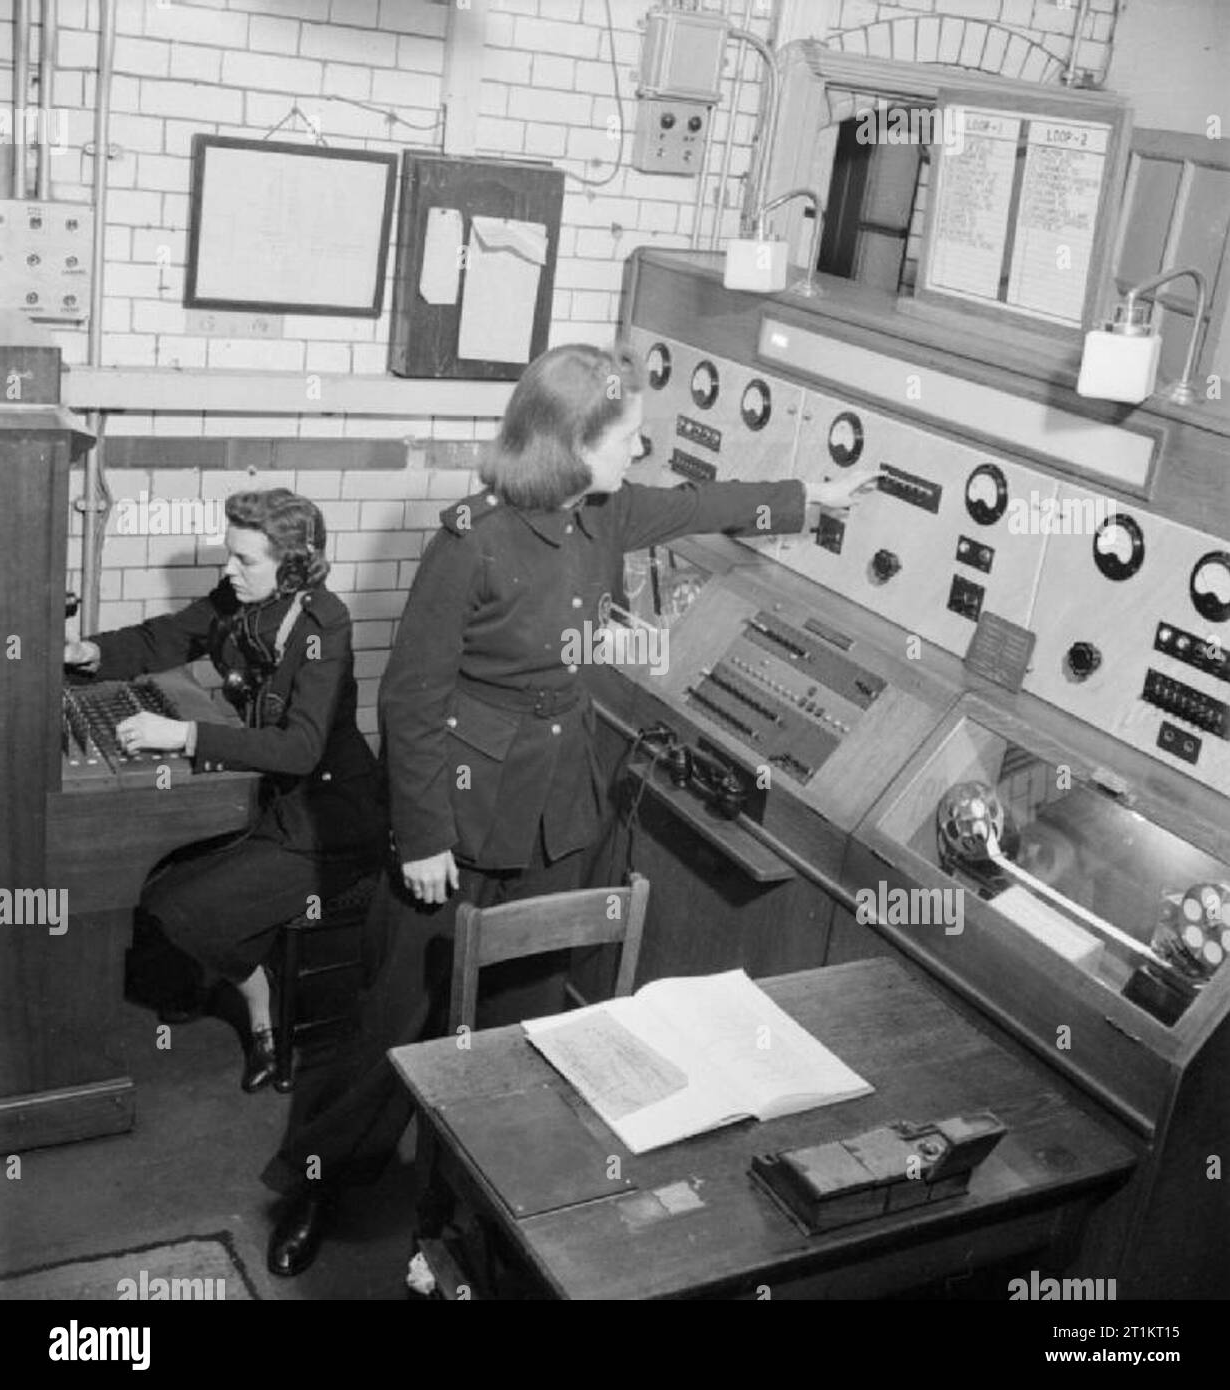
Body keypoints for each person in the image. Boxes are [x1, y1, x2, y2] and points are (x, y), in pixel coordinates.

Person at [261, 343, 881, 1277]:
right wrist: (422, 838)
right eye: (628, 438)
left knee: (525, 1027)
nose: (640, 453)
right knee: (394, 1018)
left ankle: (475, 1218)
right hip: (457, 826)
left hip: (554, 812)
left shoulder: (605, 512)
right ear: (572, 441)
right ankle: (316, 1183)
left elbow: (698, 505)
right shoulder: (469, 540)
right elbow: (409, 700)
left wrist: (806, 499)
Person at [63, 488, 384, 1092]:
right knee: (154, 884)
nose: (227, 570)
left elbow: (300, 748)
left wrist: (185, 734)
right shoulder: (239, 601)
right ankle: (217, 974)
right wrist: (89, 652)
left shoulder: (324, 624)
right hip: (270, 804)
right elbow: (166, 636)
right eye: (228, 554)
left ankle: (262, 1008)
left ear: (291, 566)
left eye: (244, 560)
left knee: (176, 908)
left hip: (328, 822)